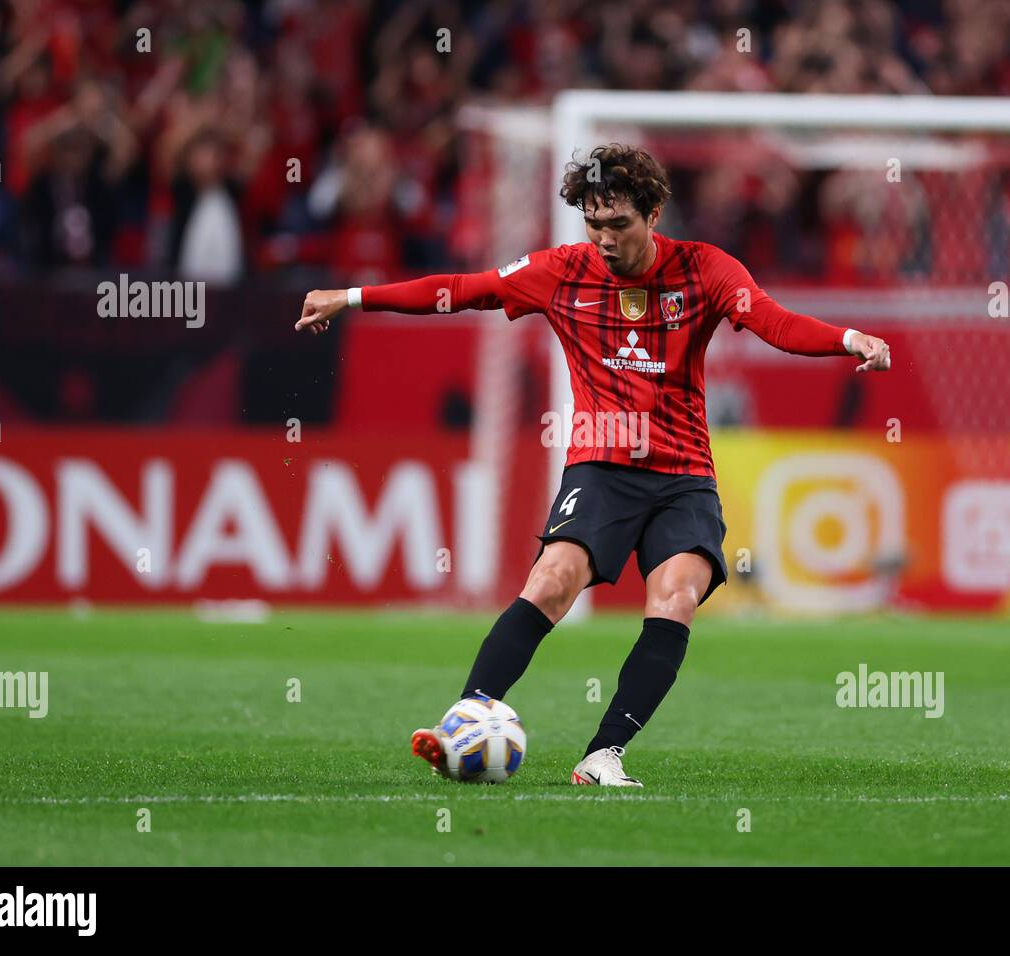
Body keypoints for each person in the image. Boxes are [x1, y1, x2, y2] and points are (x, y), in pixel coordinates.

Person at [295, 144, 891, 787]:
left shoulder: (705, 269)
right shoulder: (560, 272)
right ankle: (465, 720)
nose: (604, 239)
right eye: (593, 223)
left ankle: (604, 754)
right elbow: (462, 290)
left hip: (684, 474)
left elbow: (772, 322)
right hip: (601, 466)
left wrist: (846, 338)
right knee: (552, 580)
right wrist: (352, 296)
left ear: (654, 212)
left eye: (618, 224)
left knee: (677, 598)